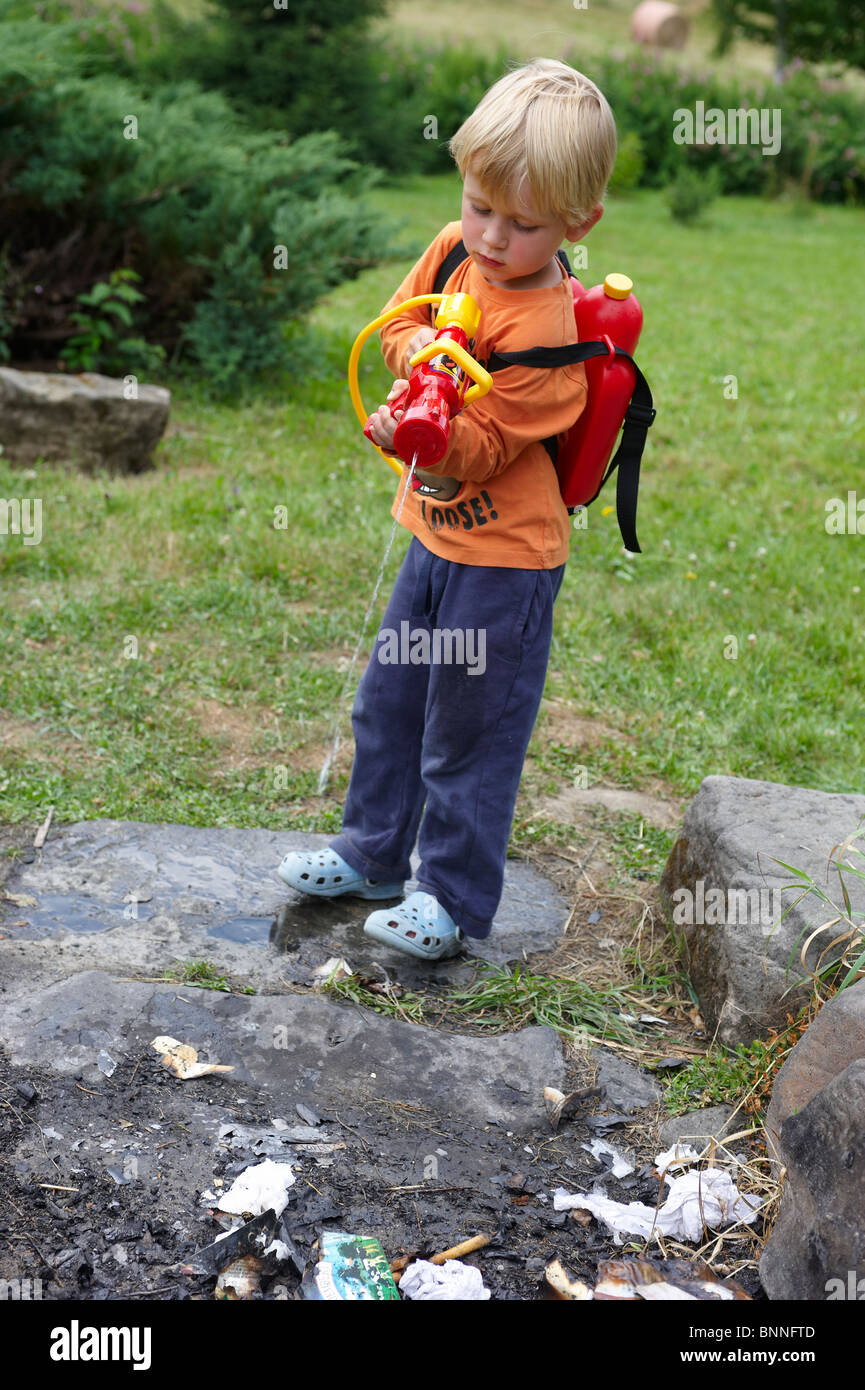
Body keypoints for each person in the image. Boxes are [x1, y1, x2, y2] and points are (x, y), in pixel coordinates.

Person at [279, 58, 617, 959]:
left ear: (577, 222)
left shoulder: (549, 333)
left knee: (467, 735)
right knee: (389, 704)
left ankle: (454, 903)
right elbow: (394, 323)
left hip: (504, 563)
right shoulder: (454, 249)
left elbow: (482, 450)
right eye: (479, 206)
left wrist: (417, 433)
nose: (493, 236)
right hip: (431, 541)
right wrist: (419, 348)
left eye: (524, 222)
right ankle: (373, 853)